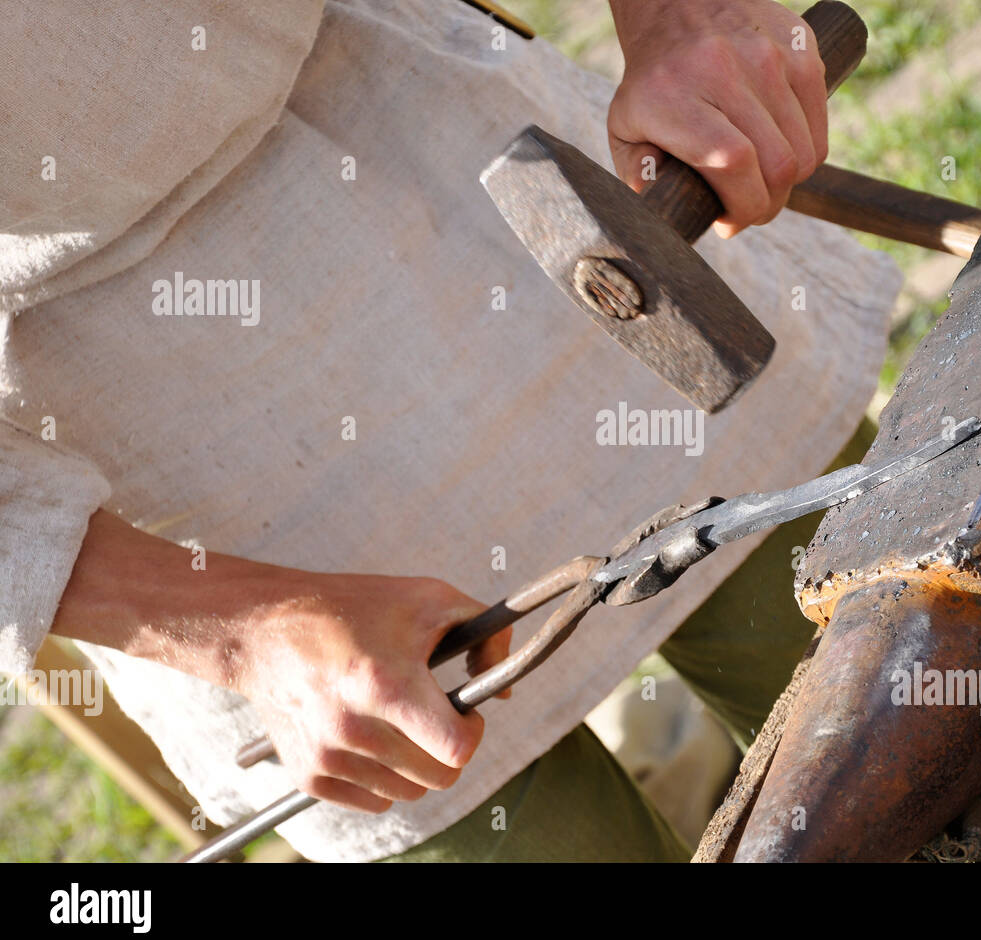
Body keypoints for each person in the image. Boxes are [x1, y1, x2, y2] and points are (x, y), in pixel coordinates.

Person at [0, 0, 894, 861]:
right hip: (136, 466)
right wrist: (242, 633)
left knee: (922, 739)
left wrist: (674, 11)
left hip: (422, 144)